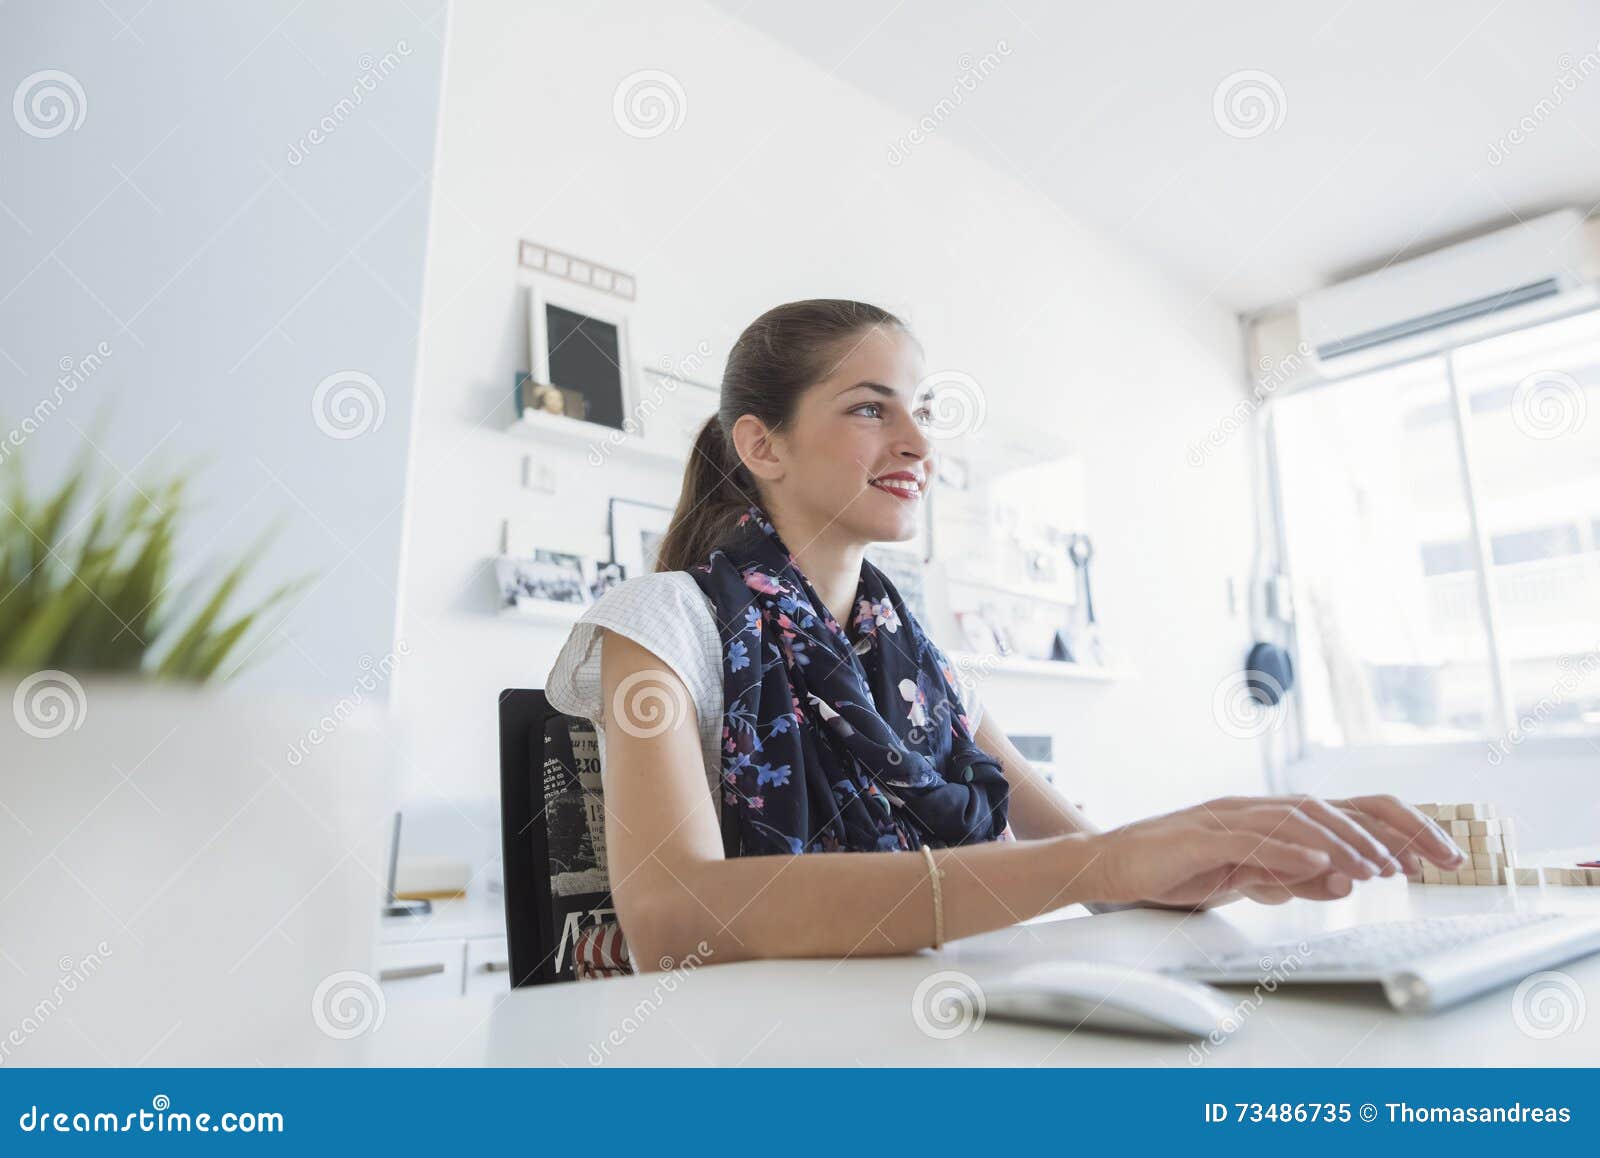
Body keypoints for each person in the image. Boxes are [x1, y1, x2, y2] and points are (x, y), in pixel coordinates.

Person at [545, 298, 1466, 971]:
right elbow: (671, 914)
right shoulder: (662, 620)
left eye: (924, 413)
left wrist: (1229, 848)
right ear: (763, 446)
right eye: (872, 408)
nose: (918, 442)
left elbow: (1093, 862)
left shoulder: (924, 667)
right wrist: (1094, 862)